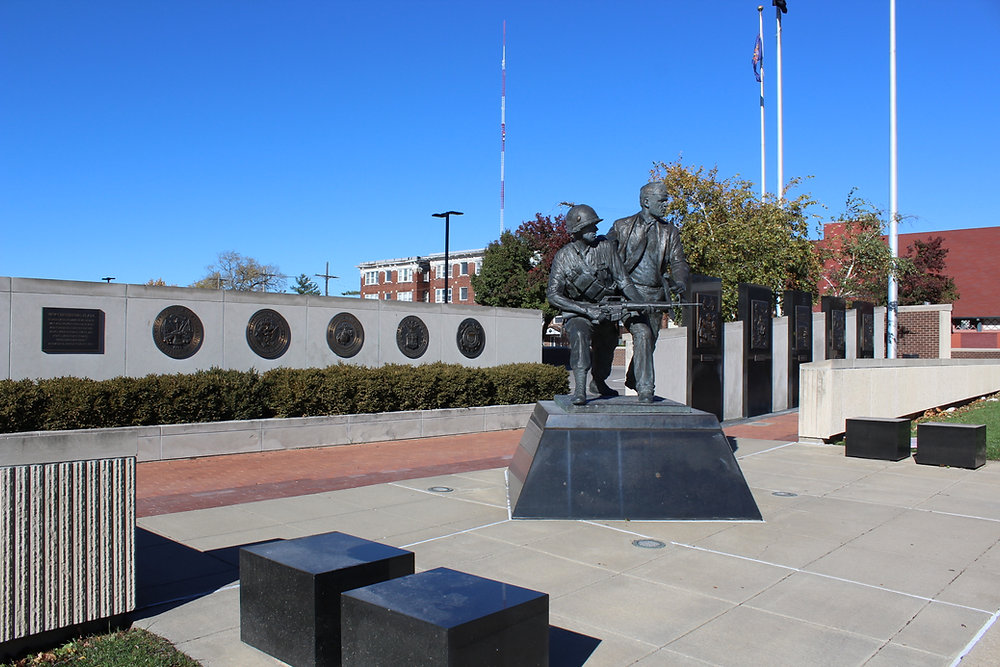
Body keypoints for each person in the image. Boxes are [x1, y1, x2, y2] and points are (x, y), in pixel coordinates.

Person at [547, 204, 649, 405]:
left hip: (605, 310)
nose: (595, 230)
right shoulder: (563, 257)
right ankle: (580, 389)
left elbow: (623, 280)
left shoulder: (605, 248)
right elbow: (553, 295)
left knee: (608, 345)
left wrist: (638, 301)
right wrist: (584, 309)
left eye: (595, 226)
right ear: (577, 230)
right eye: (590, 226)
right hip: (579, 312)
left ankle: (598, 381)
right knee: (578, 334)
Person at [607, 181, 690, 402]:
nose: (666, 204)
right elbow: (607, 255)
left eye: (666, 200)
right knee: (642, 335)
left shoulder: (670, 231)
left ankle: (634, 377)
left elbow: (678, 261)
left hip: (655, 296)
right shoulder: (622, 226)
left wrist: (680, 281)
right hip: (629, 295)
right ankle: (646, 389)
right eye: (662, 200)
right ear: (646, 201)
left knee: (650, 340)